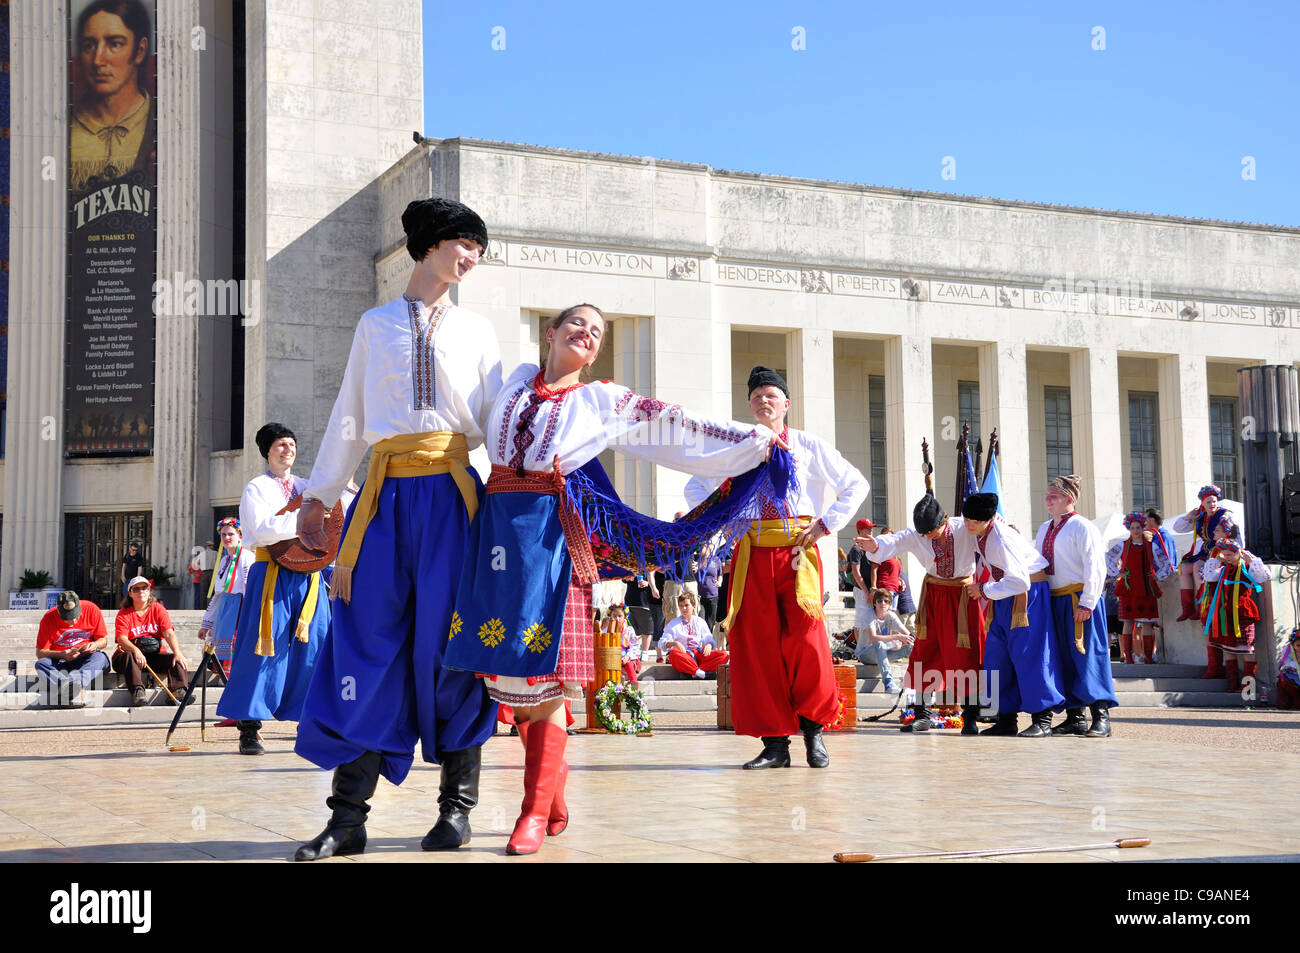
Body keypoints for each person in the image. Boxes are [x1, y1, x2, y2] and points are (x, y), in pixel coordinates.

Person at [444, 305, 780, 853]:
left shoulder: (598, 400)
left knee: (542, 675)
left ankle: (530, 813)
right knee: (504, 673)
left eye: (596, 332)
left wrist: (756, 442)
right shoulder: (507, 383)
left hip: (552, 538)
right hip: (496, 533)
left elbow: (676, 425)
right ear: (549, 333)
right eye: (576, 324)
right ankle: (551, 793)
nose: (586, 334)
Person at [291, 198, 500, 861]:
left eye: (478, 249)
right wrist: (320, 495)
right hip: (380, 502)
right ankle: (347, 819)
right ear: (432, 243)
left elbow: (497, 422)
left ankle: (456, 809)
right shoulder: (374, 325)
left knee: (454, 647)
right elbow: (349, 414)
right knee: (365, 645)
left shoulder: (479, 331)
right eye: (466, 242)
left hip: (455, 496)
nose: (473, 256)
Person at [687, 365, 868, 770]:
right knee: (757, 645)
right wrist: (723, 519)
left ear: (786, 404)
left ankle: (814, 731)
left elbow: (856, 483)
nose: (763, 401)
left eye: (771, 395)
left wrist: (825, 524)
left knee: (807, 642)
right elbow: (697, 484)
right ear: (749, 406)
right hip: (752, 551)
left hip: (798, 550)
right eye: (756, 397)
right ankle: (775, 744)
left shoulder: (806, 445)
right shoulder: (737, 447)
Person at [215, 422, 330, 757]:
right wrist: (308, 521)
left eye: (292, 444)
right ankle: (249, 728)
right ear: (267, 450)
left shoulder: (309, 487)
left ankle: (310, 721)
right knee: (263, 644)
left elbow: (334, 517)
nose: (288, 449)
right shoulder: (256, 488)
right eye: (281, 444)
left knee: (316, 643)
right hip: (272, 574)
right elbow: (264, 531)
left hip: (309, 575)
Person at [858, 489, 986, 735]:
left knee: (965, 654)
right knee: (924, 652)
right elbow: (895, 542)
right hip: (934, 596)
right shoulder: (918, 535)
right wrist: (876, 545)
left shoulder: (963, 527)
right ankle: (923, 713)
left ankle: (970, 716)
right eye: (923, 533)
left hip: (962, 596)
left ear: (944, 520)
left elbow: (990, 534)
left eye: (932, 532)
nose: (928, 537)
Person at [960, 494, 1064, 737]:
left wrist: (984, 589)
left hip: (1026, 595)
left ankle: (1043, 718)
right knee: (998, 656)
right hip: (1002, 593)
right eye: (967, 520)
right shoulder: (982, 532)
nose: (968, 525)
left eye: (974, 521)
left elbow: (1020, 580)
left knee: (1031, 654)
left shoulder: (1002, 538)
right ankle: (1006, 718)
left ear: (988, 520)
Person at [1034, 475, 1116, 738]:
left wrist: (1088, 602)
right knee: (1064, 658)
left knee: (1088, 655)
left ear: (1069, 499)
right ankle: (1075, 717)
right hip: (1054, 599)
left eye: (1053, 496)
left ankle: (1101, 716)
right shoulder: (1044, 528)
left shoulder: (1083, 527)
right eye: (1047, 496)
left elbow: (1096, 567)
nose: (1047, 500)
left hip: (1079, 599)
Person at [70, 0, 156, 193]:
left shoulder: (159, 121)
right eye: (89, 46)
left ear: (140, 51)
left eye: (115, 44)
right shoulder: (65, 124)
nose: (98, 59)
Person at [1200, 539, 1269, 692]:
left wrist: (1254, 561)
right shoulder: (1223, 569)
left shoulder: (1247, 567)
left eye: (1230, 554)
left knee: (1247, 650)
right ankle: (1232, 684)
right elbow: (1209, 577)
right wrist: (1215, 560)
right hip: (1225, 615)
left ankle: (1247, 688)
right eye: (1224, 555)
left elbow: (1263, 577)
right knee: (1228, 649)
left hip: (1242, 613)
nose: (1227, 557)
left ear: (1239, 553)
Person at [1106, 512, 1174, 664]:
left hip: (1146, 587)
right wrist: (1118, 573)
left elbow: (1165, 563)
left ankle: (1148, 656)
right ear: (1128, 529)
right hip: (1129, 588)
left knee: (1147, 622)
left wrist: (1158, 576)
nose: (1135, 530)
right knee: (1128, 622)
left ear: (1143, 528)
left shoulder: (1152, 545)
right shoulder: (1122, 545)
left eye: (1138, 527)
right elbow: (1107, 558)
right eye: (1132, 528)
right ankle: (1128, 657)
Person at [112, 577, 189, 704]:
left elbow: (169, 633)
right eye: (136, 589)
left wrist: (177, 652)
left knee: (177, 659)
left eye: (144, 588)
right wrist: (136, 650)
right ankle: (138, 691)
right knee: (129, 655)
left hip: (153, 655)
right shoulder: (124, 613)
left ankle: (179, 691)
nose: (141, 591)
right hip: (128, 659)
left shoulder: (158, 609)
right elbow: (121, 639)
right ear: (130, 593)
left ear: (149, 591)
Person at [197, 518, 256, 678]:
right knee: (221, 649)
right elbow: (218, 594)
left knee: (236, 646)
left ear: (240, 536)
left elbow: (248, 586)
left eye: (231, 534)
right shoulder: (224, 560)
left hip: (239, 607)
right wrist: (207, 623)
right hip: (225, 608)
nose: (227, 538)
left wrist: (249, 613)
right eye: (223, 535)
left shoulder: (246, 557)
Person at [35, 591, 110, 708]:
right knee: (41, 664)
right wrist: (61, 654)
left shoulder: (91, 609)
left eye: (76, 616)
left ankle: (71, 685)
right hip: (61, 661)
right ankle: (71, 687)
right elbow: (40, 653)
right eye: (67, 618)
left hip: (85, 659)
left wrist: (95, 645)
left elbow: (103, 641)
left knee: (100, 657)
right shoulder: (48, 618)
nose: (73, 621)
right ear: (58, 610)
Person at [1172, 485, 1228, 622]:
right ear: (1202, 503)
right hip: (1205, 551)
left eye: (1214, 501)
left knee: (1198, 566)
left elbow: (1235, 535)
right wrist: (1188, 517)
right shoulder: (1200, 517)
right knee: (1183, 568)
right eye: (1208, 502)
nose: (1212, 504)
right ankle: (1187, 608)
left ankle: (1201, 606)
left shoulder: (1224, 515)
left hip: (1220, 551)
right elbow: (1177, 528)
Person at [855, 589, 914, 694]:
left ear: (890, 604)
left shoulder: (891, 615)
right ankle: (888, 683)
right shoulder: (869, 614)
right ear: (874, 603)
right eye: (879, 600)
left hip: (884, 651)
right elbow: (873, 639)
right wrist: (897, 637)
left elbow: (908, 634)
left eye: (886, 601)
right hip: (866, 654)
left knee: (911, 646)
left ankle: (916, 680)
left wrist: (902, 641)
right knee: (879, 644)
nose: (883, 603)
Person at [660, 591, 729, 679]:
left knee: (724, 655)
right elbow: (662, 643)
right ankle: (702, 674)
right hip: (684, 655)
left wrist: (709, 644)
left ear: (693, 606)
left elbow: (708, 638)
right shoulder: (674, 623)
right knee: (673, 654)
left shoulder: (700, 621)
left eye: (686, 605)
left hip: (699, 655)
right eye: (681, 606)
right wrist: (675, 643)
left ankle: (694, 672)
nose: (683, 608)